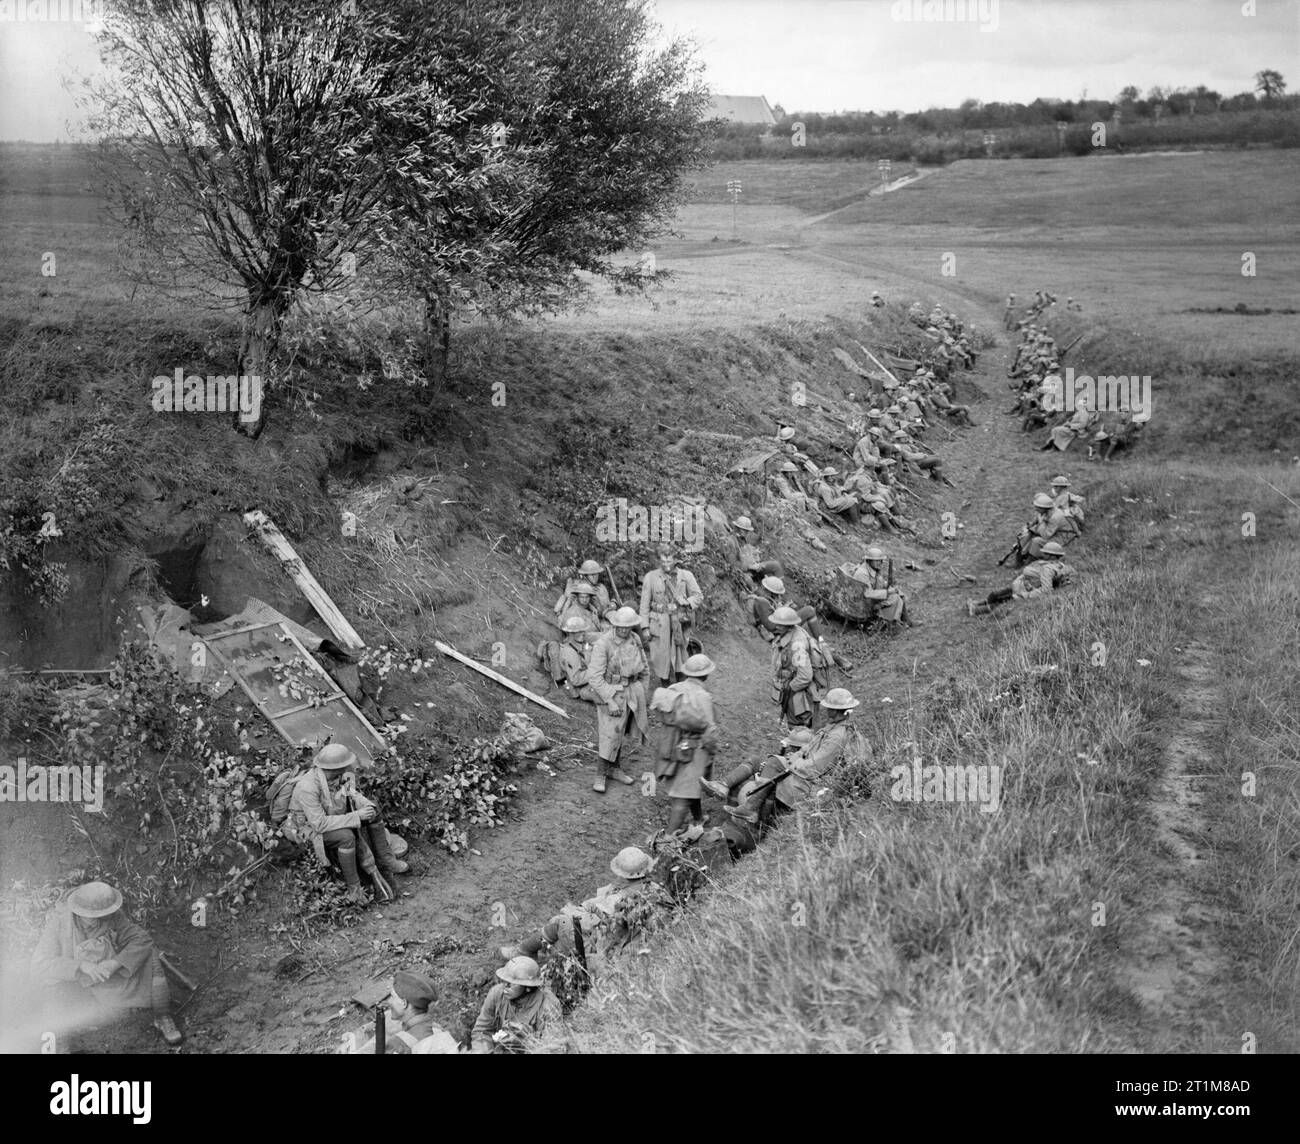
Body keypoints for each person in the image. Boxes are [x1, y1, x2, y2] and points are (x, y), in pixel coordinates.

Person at [31, 881, 184, 1046]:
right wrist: (81, 965)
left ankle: (163, 1016)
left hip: (107, 982)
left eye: (103, 915)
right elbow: (40, 963)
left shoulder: (112, 917)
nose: (99, 920)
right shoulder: (59, 923)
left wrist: (115, 963)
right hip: (75, 989)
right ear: (79, 912)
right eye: (93, 916)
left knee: (151, 954)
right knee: (54, 1003)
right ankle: (59, 1044)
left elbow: (142, 939)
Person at [286, 743, 408, 905]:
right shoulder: (308, 787)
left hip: (332, 817)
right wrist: (356, 816)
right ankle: (354, 888)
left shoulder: (337, 777)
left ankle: (386, 860)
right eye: (343, 767)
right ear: (334, 769)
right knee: (346, 837)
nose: (346, 770)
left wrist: (366, 806)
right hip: (307, 828)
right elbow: (319, 824)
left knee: (373, 810)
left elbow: (352, 793)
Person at [651, 653, 720, 835]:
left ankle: (698, 819)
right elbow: (710, 732)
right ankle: (667, 839)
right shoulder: (703, 696)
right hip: (694, 749)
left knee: (690, 786)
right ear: (706, 675)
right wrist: (711, 752)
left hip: (672, 745)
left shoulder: (674, 688)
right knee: (683, 797)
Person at [586, 606, 650, 793]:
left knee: (621, 732)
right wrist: (610, 700)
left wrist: (642, 692)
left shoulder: (635, 639)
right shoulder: (604, 643)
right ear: (614, 625)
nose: (623, 630)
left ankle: (615, 768)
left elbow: (644, 667)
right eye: (620, 626)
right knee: (609, 734)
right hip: (611, 692)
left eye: (627, 626)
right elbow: (594, 676)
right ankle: (600, 774)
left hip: (631, 690)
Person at [775, 689, 867, 811]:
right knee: (773, 763)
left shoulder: (837, 736)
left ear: (834, 711)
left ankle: (754, 813)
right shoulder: (833, 727)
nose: (827, 710)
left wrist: (795, 764)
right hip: (805, 765)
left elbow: (817, 765)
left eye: (830, 708)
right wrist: (797, 755)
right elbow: (811, 746)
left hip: (814, 779)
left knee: (774, 771)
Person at [639, 545, 703, 689]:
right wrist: (644, 627)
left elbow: (698, 596)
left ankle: (680, 685)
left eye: (669, 561)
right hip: (659, 622)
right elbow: (644, 604)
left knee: (681, 653)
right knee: (661, 656)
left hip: (679, 622)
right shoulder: (651, 577)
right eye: (663, 562)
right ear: (658, 561)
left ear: (675, 560)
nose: (666, 565)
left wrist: (687, 602)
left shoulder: (686, 576)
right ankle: (665, 686)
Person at [470, 957, 563, 1054]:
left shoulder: (548, 1005)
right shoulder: (497, 993)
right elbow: (482, 1031)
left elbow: (555, 1047)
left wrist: (525, 1042)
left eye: (512, 983)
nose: (506, 986)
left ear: (528, 987)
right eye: (505, 981)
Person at [968, 541, 1074, 615]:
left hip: (1025, 591)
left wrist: (1024, 595)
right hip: (1022, 586)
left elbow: (1046, 590)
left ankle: (977, 610)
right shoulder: (1057, 564)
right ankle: (979, 603)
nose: (1043, 554)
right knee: (996, 595)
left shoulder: (1048, 569)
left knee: (1001, 601)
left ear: (1052, 556)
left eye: (1046, 553)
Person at [768, 605, 822, 729]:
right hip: (791, 687)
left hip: (798, 692)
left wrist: (790, 688)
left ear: (788, 625)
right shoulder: (788, 633)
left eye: (780, 624)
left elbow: (805, 676)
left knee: (798, 726)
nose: (776, 626)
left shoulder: (797, 644)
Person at [385, 970, 459, 1054]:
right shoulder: (439, 1030)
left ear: (404, 1003)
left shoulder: (398, 1044)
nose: (389, 1001)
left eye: (392, 997)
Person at [850, 547, 913, 628]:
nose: (879, 563)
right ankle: (891, 623)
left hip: (869, 599)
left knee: (900, 594)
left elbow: (878, 583)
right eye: (876, 560)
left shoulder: (872, 569)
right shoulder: (862, 573)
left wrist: (888, 585)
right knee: (894, 598)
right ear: (869, 560)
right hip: (862, 603)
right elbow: (868, 593)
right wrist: (888, 592)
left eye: (880, 560)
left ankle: (905, 619)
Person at [537, 615, 596, 701]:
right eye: (579, 631)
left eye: (583, 631)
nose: (583, 634)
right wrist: (595, 670)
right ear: (571, 633)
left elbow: (585, 650)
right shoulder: (569, 653)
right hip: (581, 680)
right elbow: (576, 680)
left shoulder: (573, 643)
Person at [554, 559, 615, 625]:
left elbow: (608, 602)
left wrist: (613, 602)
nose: (595, 577)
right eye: (591, 575)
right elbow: (569, 602)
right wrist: (561, 615)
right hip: (588, 620)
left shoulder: (601, 587)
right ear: (585, 575)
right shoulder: (580, 588)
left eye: (596, 574)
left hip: (607, 616)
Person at [1015, 493, 1071, 564]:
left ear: (1043, 508)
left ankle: (1031, 559)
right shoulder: (1045, 512)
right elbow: (1036, 522)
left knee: (1036, 540)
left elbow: (1046, 535)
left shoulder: (1055, 517)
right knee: (1025, 535)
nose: (1035, 509)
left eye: (1037, 507)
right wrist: (1030, 528)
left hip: (1061, 537)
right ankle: (1021, 556)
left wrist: (1038, 527)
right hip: (1052, 533)